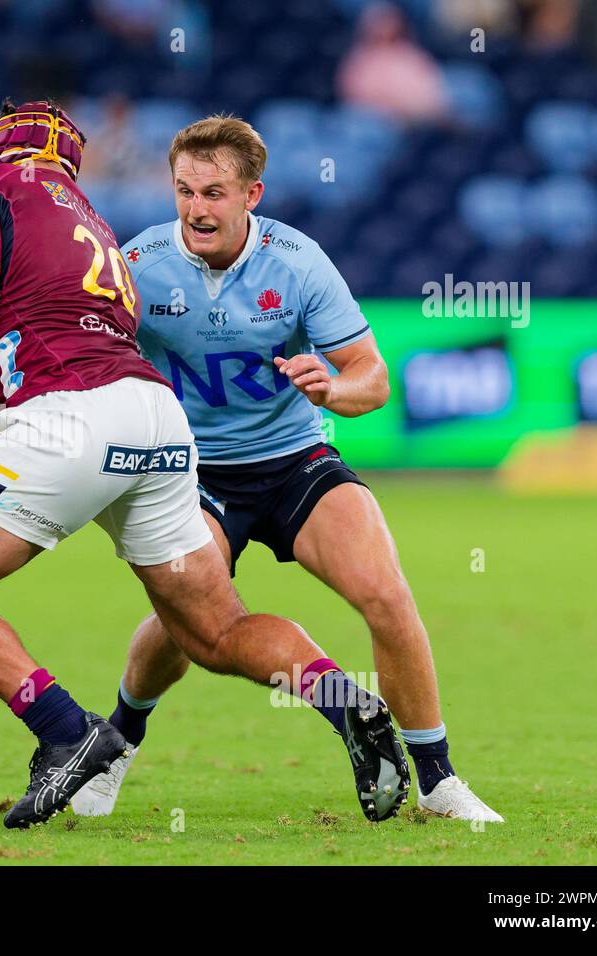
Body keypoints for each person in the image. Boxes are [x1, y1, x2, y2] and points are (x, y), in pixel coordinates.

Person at [0, 100, 408, 828]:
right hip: (155, 422)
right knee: (215, 631)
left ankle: (65, 728)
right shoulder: (89, 222)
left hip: (68, 423)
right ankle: (345, 698)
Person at [70, 115, 502, 823]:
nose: (196, 208)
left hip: (294, 459)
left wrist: (334, 388)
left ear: (252, 195)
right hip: (192, 472)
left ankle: (438, 781)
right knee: (185, 624)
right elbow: (87, 356)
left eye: (214, 192)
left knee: (386, 595)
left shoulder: (298, 263)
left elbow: (373, 379)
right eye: (184, 190)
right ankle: (118, 745)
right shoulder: (138, 266)